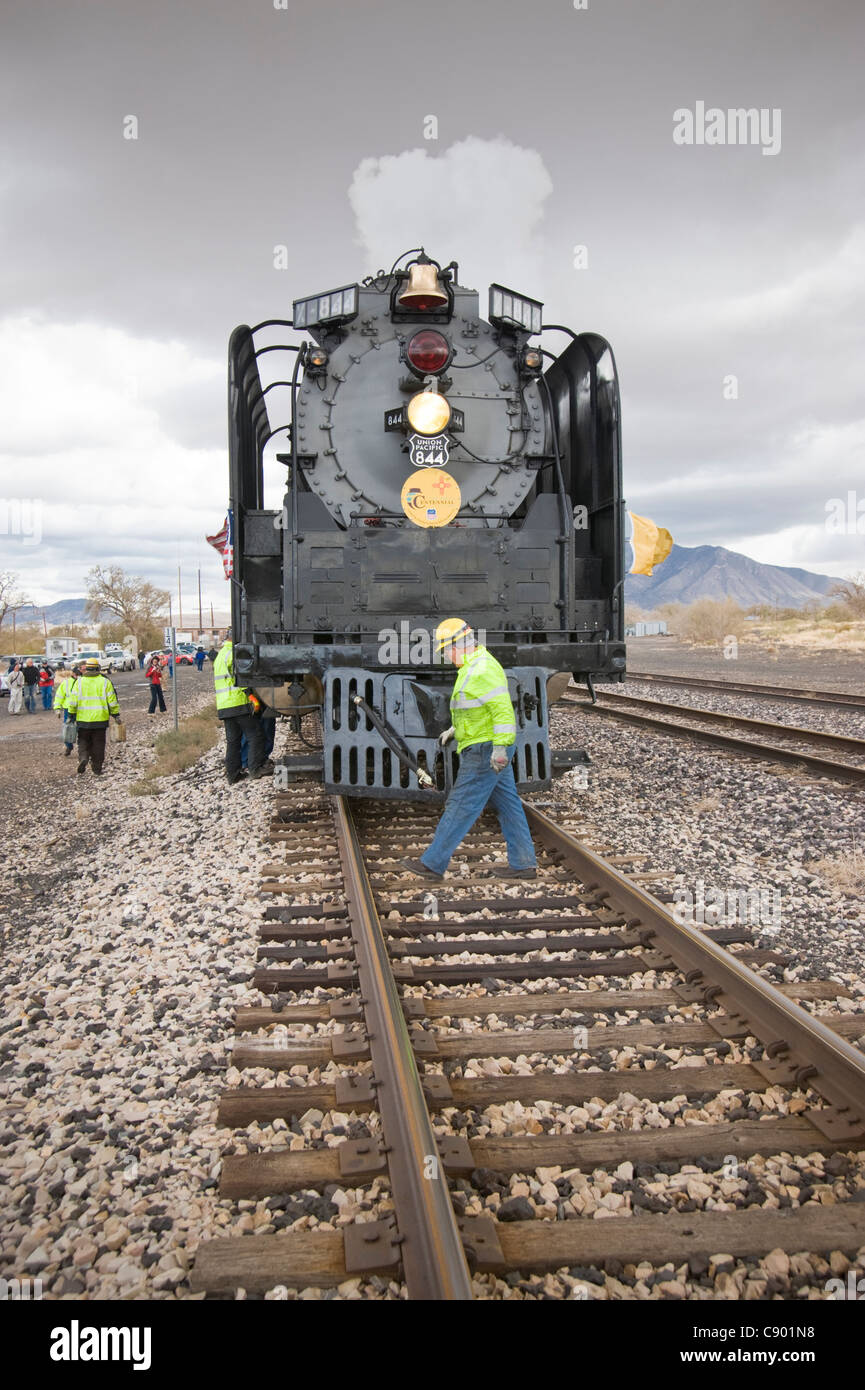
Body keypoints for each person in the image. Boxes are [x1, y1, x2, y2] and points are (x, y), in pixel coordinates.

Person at [399, 619, 537, 881]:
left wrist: (499, 748)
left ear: (457, 646)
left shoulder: (481, 669)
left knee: (461, 804)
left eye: (445, 650)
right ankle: (524, 863)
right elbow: (476, 709)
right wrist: (455, 730)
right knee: (508, 804)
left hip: (485, 748)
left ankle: (432, 863)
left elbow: (502, 711)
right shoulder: (474, 666)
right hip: (483, 740)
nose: (445, 656)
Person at [213, 636, 265, 784]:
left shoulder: (221, 655)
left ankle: (232, 775)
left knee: (233, 741)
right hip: (238, 702)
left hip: (224, 705)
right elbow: (241, 678)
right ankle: (255, 769)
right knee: (255, 735)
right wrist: (252, 697)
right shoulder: (235, 654)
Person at [64, 656, 121, 775]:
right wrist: (115, 714)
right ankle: (97, 767)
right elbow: (112, 701)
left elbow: (73, 701)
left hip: (83, 719)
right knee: (99, 743)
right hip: (100, 719)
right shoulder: (105, 682)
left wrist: (70, 714)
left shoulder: (79, 682)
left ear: (86, 669)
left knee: (83, 740)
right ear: (98, 668)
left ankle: (84, 757)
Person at [53, 666, 75, 756]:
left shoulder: (84, 682)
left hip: (81, 709)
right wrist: (57, 708)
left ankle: (83, 749)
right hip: (68, 709)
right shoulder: (66, 683)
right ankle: (68, 746)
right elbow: (59, 696)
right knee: (68, 729)